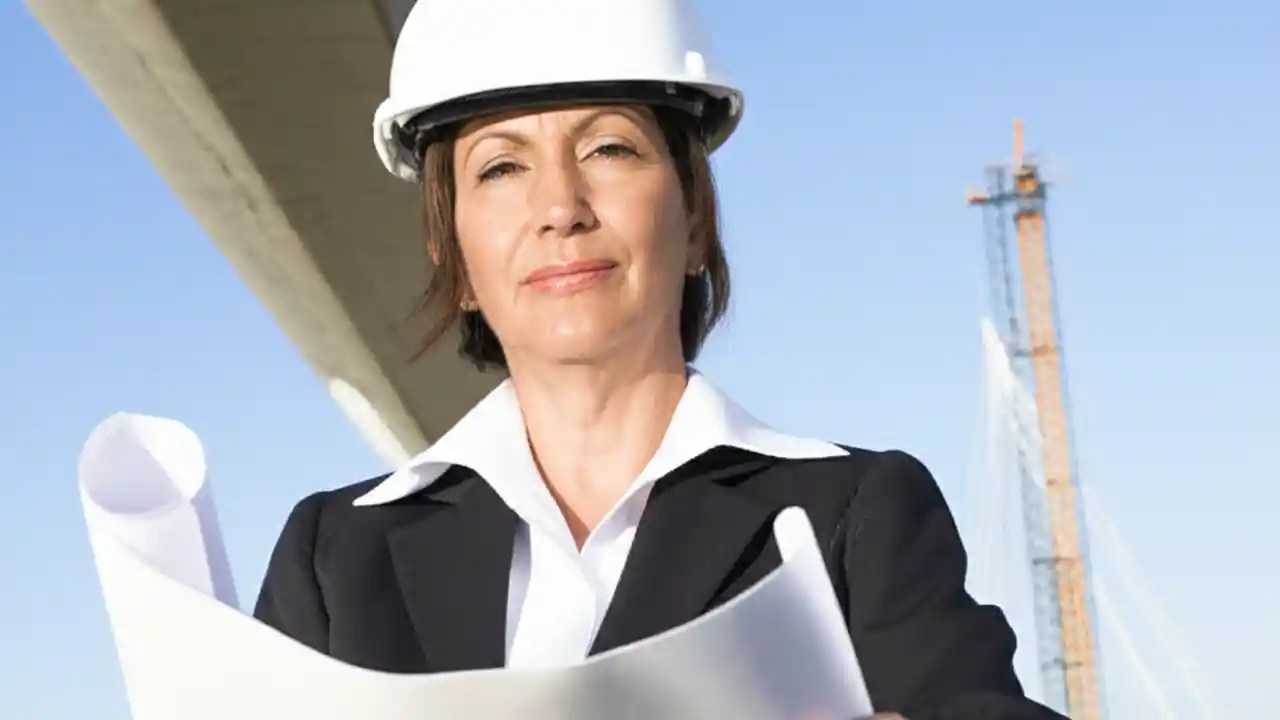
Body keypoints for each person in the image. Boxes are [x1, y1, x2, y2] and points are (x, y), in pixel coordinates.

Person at [254, 1, 1065, 717]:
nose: (560, 209)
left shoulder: (852, 518)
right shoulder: (334, 559)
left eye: (609, 149)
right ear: (454, 257)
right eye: (501, 167)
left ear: (696, 219)